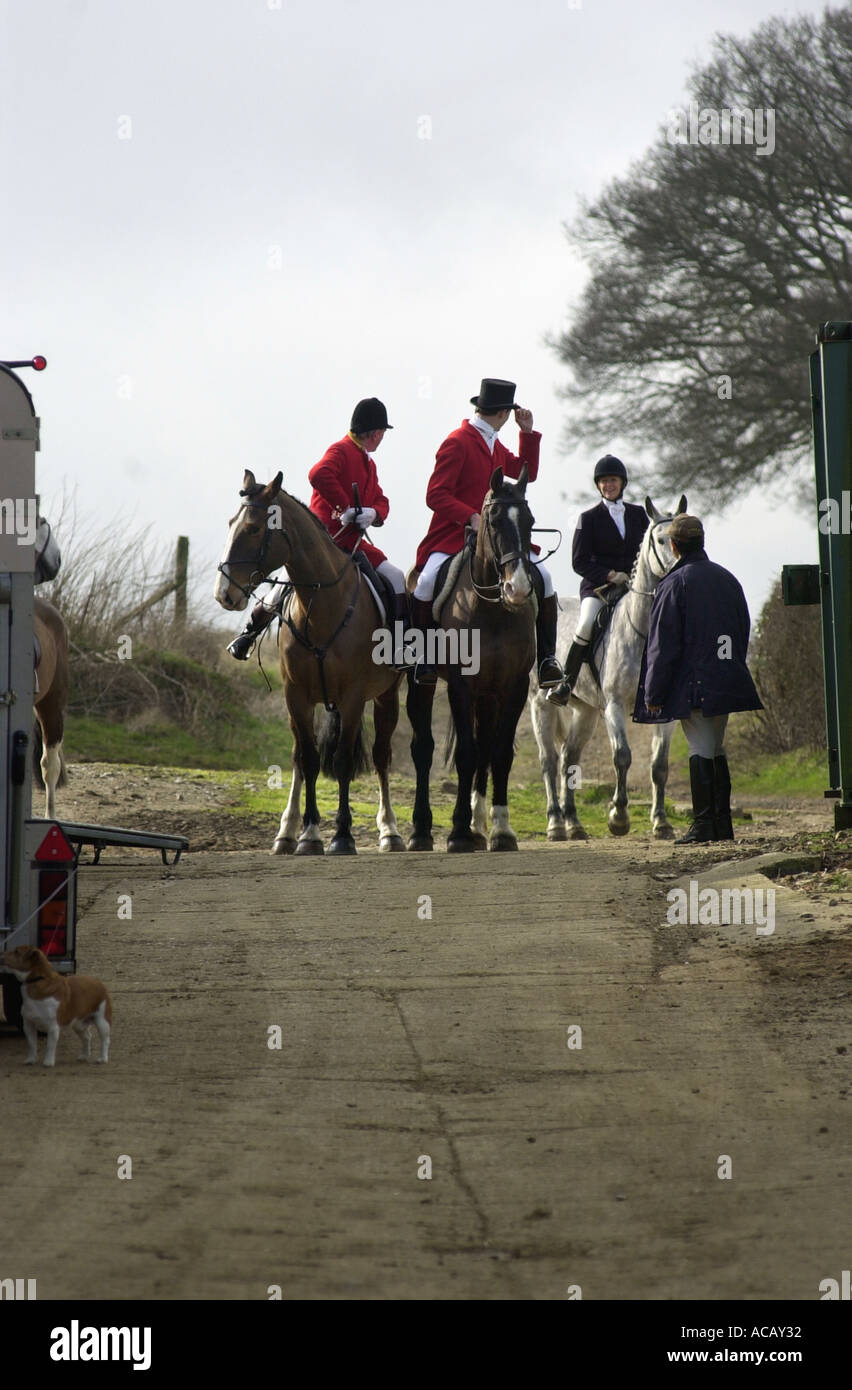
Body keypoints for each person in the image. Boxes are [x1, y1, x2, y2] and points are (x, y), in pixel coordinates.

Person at [410, 377, 563, 687]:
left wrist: (528, 434)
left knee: (544, 578)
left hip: (497, 538)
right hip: (452, 534)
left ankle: (547, 659)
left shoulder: (492, 441)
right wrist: (470, 517)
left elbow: (526, 473)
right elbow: (435, 495)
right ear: (503, 413)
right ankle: (423, 659)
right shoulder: (457, 442)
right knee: (425, 581)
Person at [228, 397, 407, 660]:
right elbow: (317, 474)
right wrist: (345, 507)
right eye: (382, 433)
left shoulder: (368, 462)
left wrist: (373, 513)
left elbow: (381, 499)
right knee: (283, 587)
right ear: (375, 432)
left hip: (355, 543)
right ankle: (248, 634)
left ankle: (399, 646)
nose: (382, 438)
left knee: (395, 578)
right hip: (322, 540)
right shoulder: (341, 450)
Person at [633, 513, 762, 844]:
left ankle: (705, 825)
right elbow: (741, 629)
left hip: (696, 686)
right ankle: (720, 824)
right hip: (726, 678)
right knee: (715, 748)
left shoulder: (673, 584)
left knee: (702, 749)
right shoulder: (728, 579)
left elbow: (662, 646)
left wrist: (654, 691)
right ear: (701, 542)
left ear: (674, 547)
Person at [547, 454, 648, 705]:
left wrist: (634, 577)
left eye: (612, 480)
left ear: (622, 483)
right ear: (598, 485)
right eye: (603, 481)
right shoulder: (587, 518)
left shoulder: (639, 515)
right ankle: (566, 683)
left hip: (635, 588)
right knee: (585, 624)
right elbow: (578, 561)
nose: (608, 485)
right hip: (599, 588)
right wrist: (609, 575)